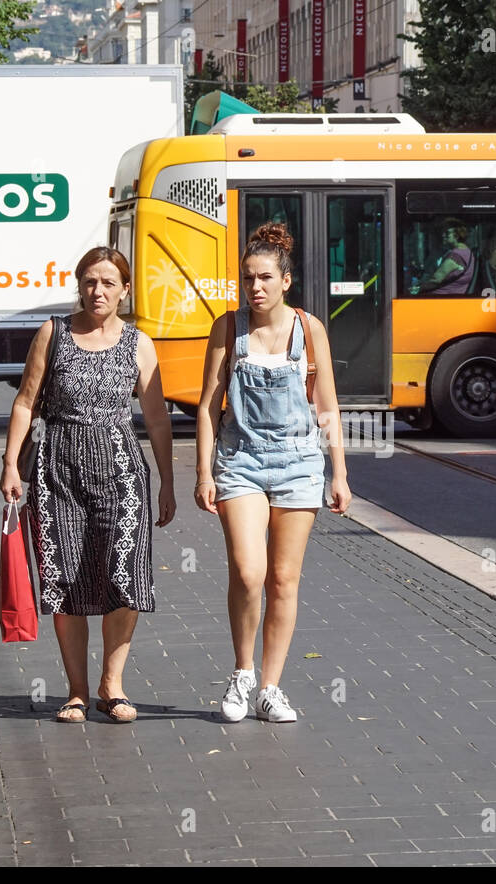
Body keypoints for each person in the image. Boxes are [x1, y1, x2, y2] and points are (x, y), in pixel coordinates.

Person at [0, 247, 176, 724]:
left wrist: (168, 482)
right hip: (57, 468)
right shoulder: (52, 333)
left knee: (126, 574)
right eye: (89, 282)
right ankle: (76, 691)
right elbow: (25, 402)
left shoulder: (138, 343)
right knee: (65, 577)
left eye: (108, 283)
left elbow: (157, 419)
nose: (98, 291)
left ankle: (112, 686)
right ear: (79, 285)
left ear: (125, 290)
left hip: (122, 471)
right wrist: (10, 464)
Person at [194, 222, 351, 723]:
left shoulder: (309, 330)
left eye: (264, 278)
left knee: (283, 579)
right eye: (247, 279)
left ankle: (270, 686)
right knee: (248, 571)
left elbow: (327, 405)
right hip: (239, 462)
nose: (254, 288)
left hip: (299, 465)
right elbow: (206, 407)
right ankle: (242, 674)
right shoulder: (228, 328)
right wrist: (204, 472)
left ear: (286, 280)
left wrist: (339, 474)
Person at [419, 218, 475, 294]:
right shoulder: (468, 252)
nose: (443, 235)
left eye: (447, 233)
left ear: (457, 235)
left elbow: (435, 280)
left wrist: (418, 288)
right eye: (443, 232)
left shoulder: (455, 256)